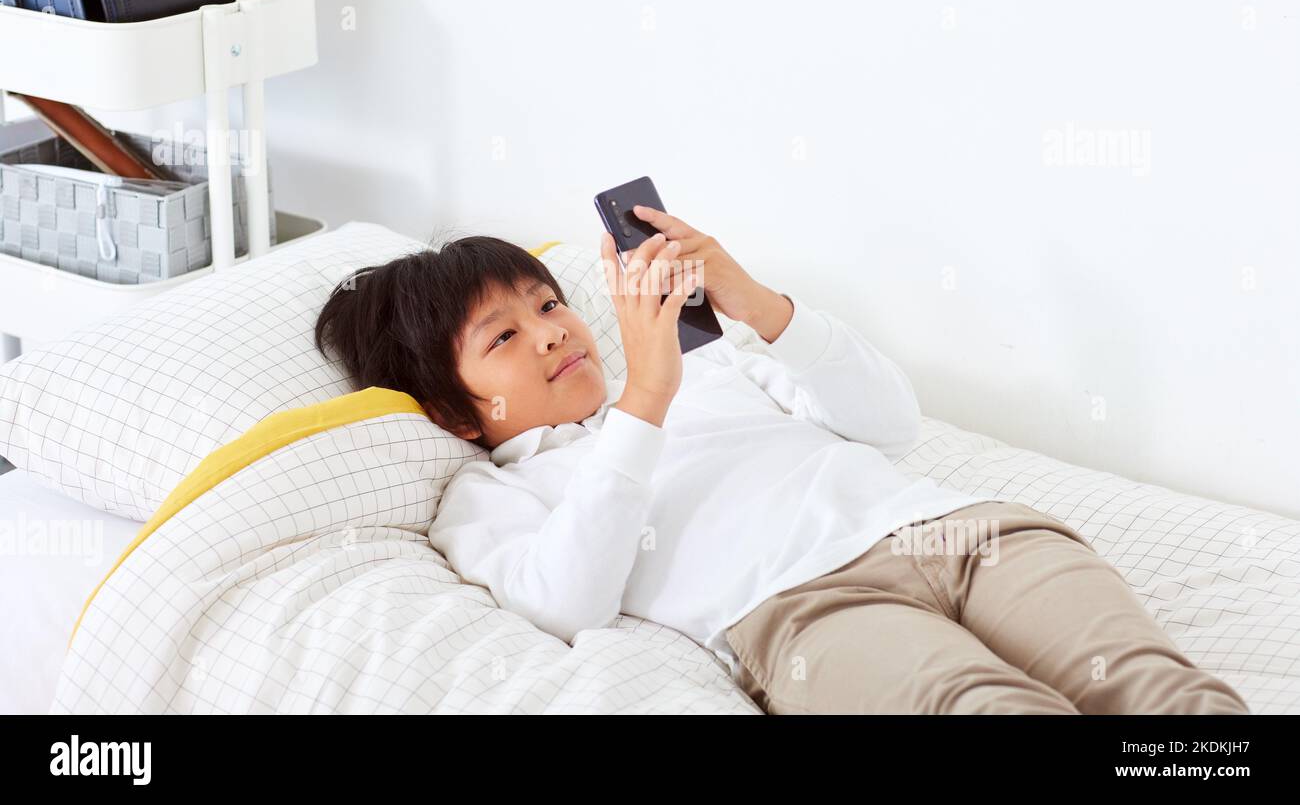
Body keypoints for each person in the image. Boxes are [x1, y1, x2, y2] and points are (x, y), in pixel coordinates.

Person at [313, 206, 1250, 714]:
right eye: (504, 333)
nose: (554, 333)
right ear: (456, 408)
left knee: (1161, 698)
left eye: (549, 302)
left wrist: (755, 300)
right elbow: (567, 599)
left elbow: (888, 423)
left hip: (954, 532)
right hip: (808, 613)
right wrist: (646, 395)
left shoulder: (712, 366)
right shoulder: (487, 494)